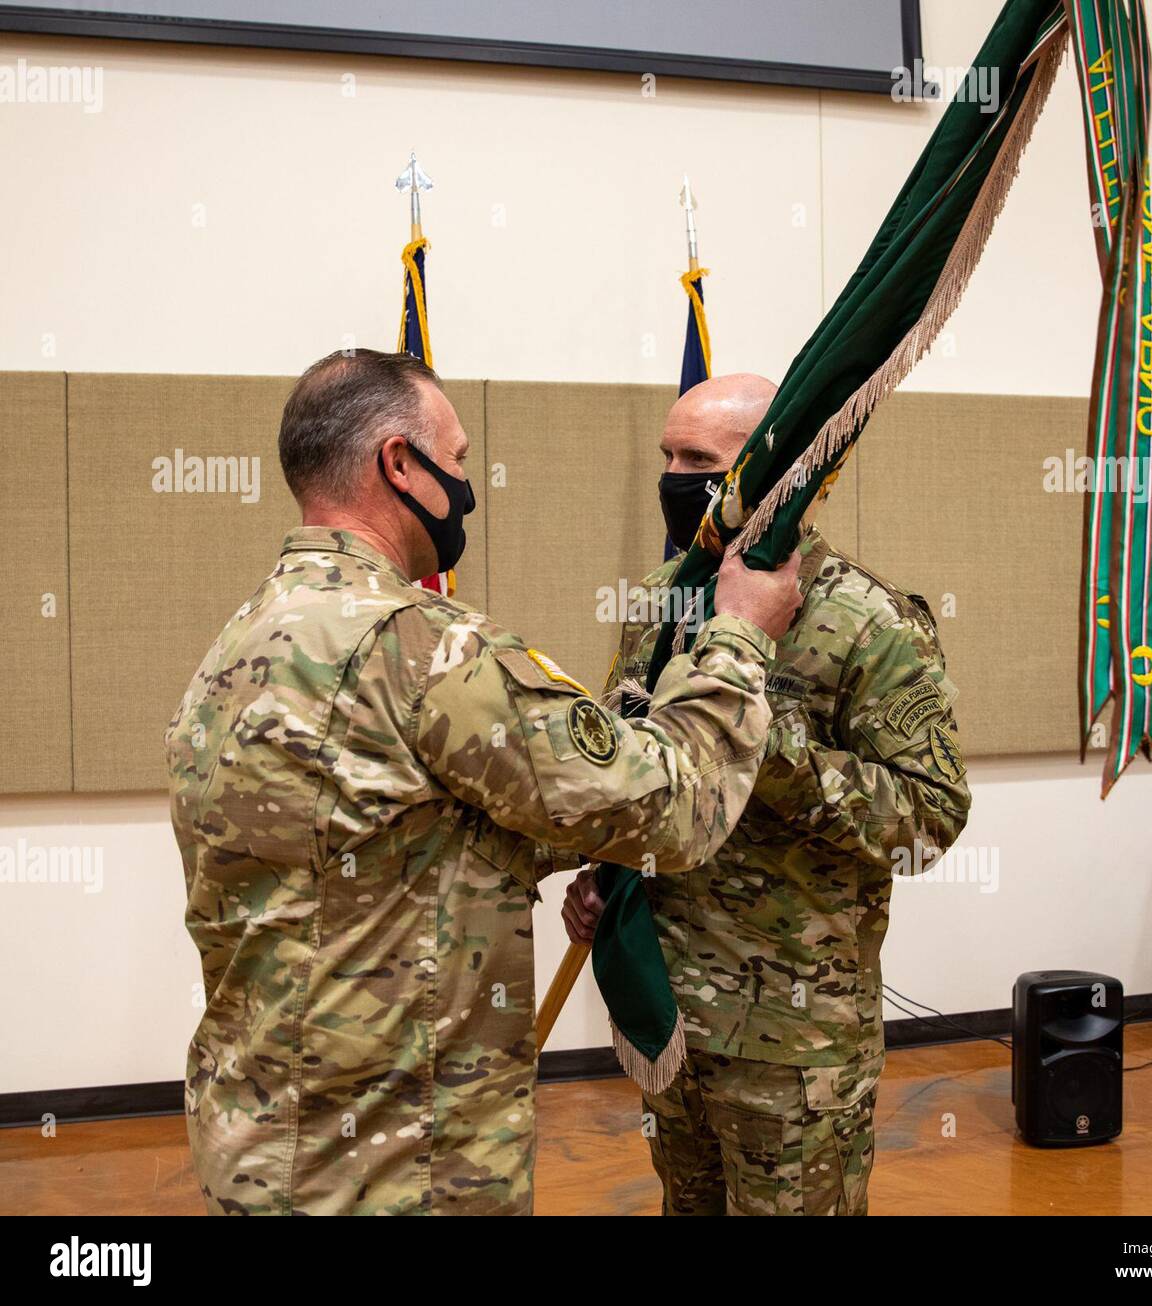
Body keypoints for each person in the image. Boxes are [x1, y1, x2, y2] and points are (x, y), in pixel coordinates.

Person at [164, 349, 801, 1215]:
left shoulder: (237, 647)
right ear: (400, 463)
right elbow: (671, 804)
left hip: (263, 1148)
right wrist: (738, 637)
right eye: (457, 460)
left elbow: (388, 834)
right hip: (402, 1169)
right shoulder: (424, 648)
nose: (466, 485)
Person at [564, 373, 971, 1216]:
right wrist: (605, 874)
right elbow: (643, 774)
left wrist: (764, 744)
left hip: (791, 1038)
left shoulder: (864, 618)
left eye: (700, 460)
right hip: (669, 1012)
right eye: (667, 456)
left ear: (768, 473)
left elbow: (928, 819)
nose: (676, 479)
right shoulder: (663, 598)